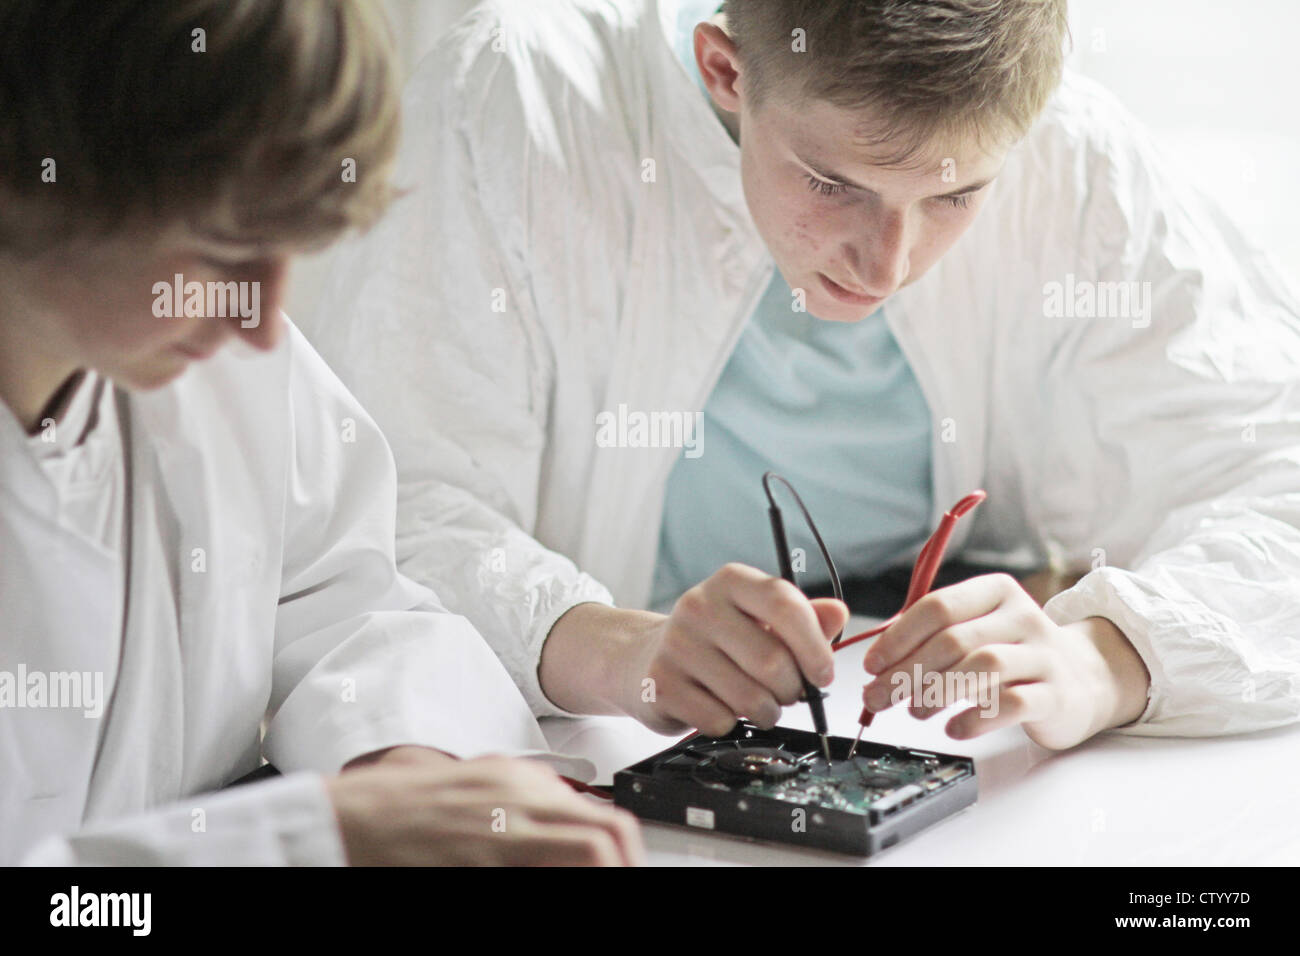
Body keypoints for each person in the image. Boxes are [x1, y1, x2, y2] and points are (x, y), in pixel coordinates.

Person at [303, 0, 1300, 751]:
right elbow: (379, 516)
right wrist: (617, 648)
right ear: (726, 70)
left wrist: (1102, 660)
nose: (887, 264)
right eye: (833, 184)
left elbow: (1278, 477)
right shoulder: (515, 101)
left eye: (956, 195)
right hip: (597, 750)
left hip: (944, 758)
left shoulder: (1076, 160)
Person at [0, 0, 641, 866]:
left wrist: (406, 768)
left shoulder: (226, 366)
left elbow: (342, 597)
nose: (263, 320)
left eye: (289, 246)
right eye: (221, 246)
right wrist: (308, 835)